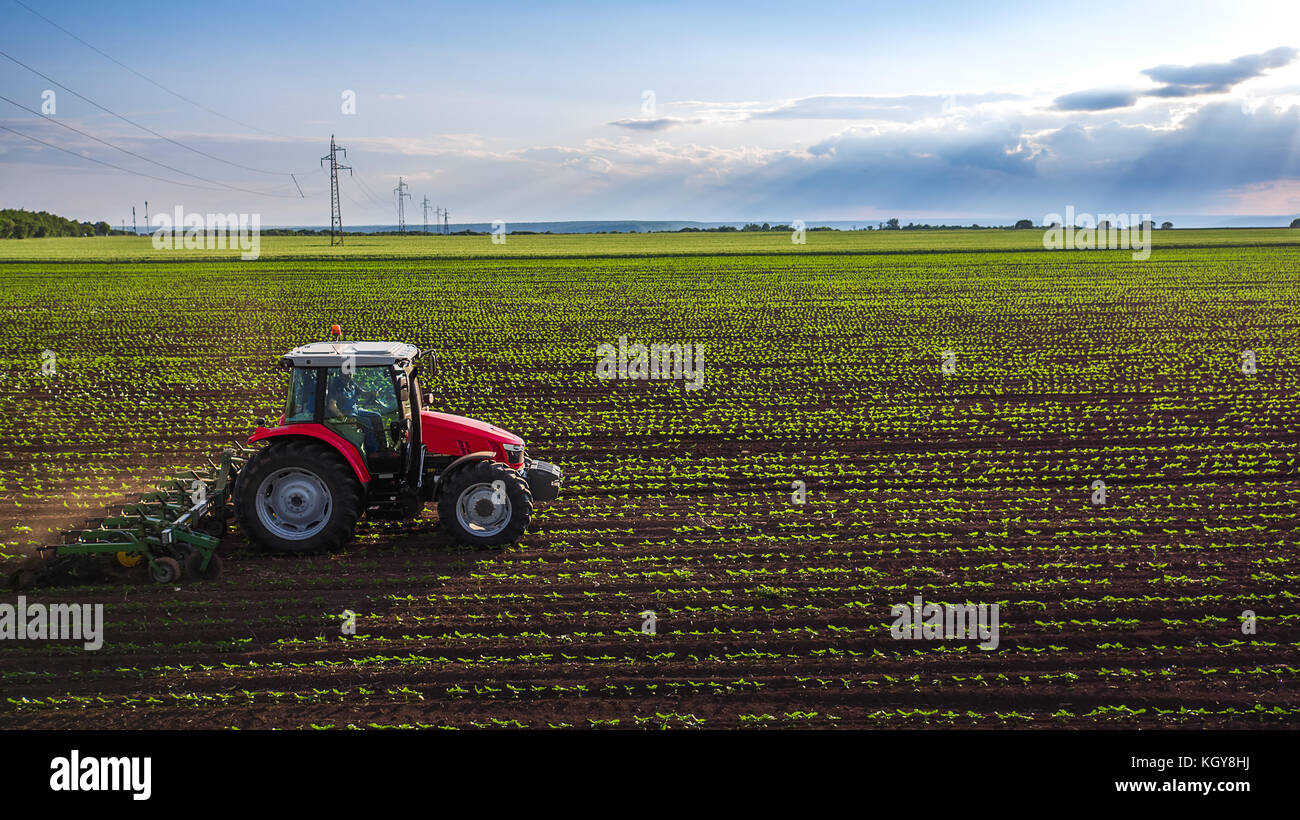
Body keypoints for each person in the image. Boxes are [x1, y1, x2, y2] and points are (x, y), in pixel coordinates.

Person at [327, 371, 384, 454]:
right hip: (345, 414)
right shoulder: (335, 386)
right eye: (346, 374)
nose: (348, 376)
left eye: (350, 374)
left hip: (355, 411)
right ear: (340, 374)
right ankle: (372, 452)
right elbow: (332, 406)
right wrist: (344, 418)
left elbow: (362, 393)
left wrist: (371, 393)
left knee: (376, 416)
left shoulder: (351, 383)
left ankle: (382, 447)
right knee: (366, 422)